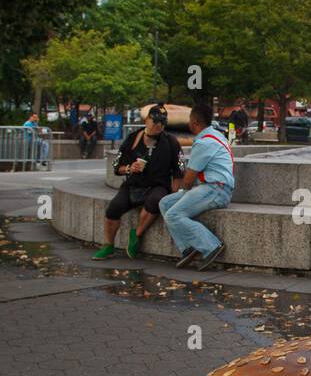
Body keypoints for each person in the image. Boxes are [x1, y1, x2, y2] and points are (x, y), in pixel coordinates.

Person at [92, 105, 182, 259]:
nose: (158, 127)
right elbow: (116, 166)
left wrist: (174, 195)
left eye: (161, 124)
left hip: (158, 185)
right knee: (113, 209)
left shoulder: (171, 142)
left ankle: (137, 234)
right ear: (146, 120)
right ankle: (108, 245)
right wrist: (129, 168)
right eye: (154, 123)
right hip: (133, 184)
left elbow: (179, 171)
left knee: (155, 201)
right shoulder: (133, 138)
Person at [159, 103, 234, 269]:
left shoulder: (204, 143)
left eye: (190, 121)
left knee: (173, 215)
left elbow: (188, 179)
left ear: (195, 123)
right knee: (165, 203)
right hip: (212, 188)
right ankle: (188, 248)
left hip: (216, 189)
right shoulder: (216, 135)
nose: (188, 124)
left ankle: (211, 246)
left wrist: (184, 193)